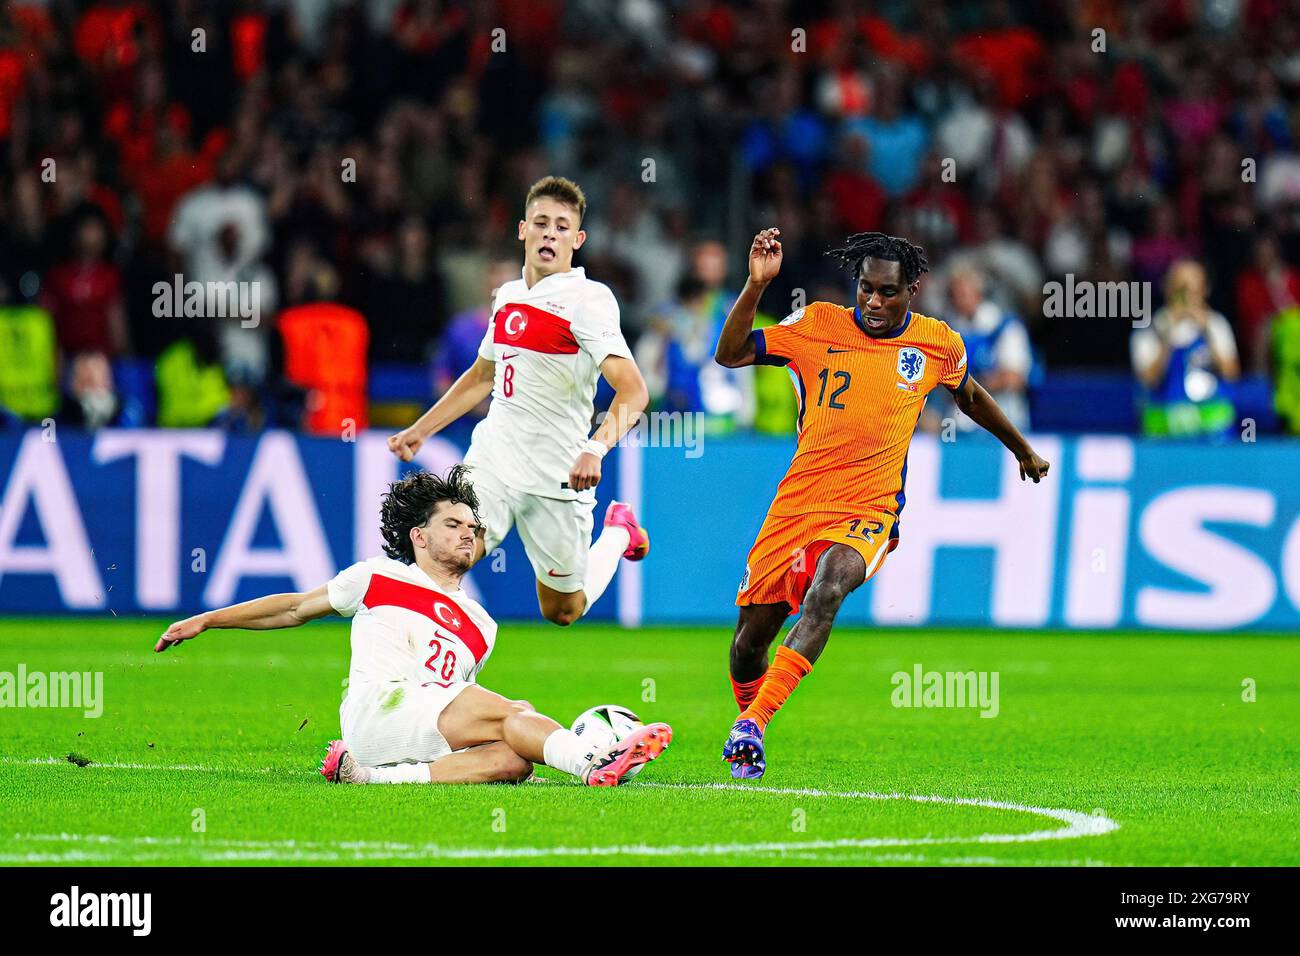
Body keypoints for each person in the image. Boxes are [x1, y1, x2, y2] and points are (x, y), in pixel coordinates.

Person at [713, 229, 1050, 779]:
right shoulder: (817, 323)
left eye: (886, 292)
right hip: (798, 503)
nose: (872, 301)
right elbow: (730, 354)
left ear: (912, 290)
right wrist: (755, 285)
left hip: (868, 509)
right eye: (865, 289)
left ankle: (752, 726)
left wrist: (1023, 451)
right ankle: (750, 725)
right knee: (748, 648)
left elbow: (970, 397)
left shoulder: (937, 342)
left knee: (829, 586)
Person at [153, 467, 671, 787]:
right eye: (454, 524)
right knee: (515, 713)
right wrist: (208, 619)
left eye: (474, 526)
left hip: (417, 738)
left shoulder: (482, 624)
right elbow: (292, 608)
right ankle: (592, 761)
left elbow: (459, 702)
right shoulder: (376, 577)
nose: (469, 533)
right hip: (381, 708)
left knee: (514, 760)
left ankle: (372, 778)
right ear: (419, 536)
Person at [387, 176, 651, 627]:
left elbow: (634, 391)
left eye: (563, 226)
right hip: (494, 459)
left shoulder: (589, 301)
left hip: (558, 473)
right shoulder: (508, 296)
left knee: (563, 610)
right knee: (448, 556)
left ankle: (616, 534)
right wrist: (421, 429)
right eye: (542, 222)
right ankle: (426, 682)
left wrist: (595, 448)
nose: (551, 233)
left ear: (578, 239)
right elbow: (480, 377)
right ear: (522, 229)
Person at [1132, 259, 1240, 438]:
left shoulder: (1216, 324)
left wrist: (1207, 331)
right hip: (1165, 426)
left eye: (1195, 289)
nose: (1189, 297)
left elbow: (1231, 374)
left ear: (1205, 290)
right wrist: (1168, 336)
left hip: (1210, 426)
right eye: (1182, 289)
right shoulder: (1151, 327)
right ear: (1167, 288)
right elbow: (1149, 380)